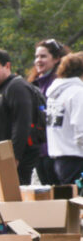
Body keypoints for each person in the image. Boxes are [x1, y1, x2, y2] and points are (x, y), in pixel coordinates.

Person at [0, 47, 43, 185]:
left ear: (7, 66)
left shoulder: (16, 87)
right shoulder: (1, 89)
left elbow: (22, 123)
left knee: (18, 198)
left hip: (18, 158)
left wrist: (14, 157)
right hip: (3, 156)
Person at [28, 38, 70, 184]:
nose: (38, 60)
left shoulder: (61, 84)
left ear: (57, 59)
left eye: (43, 56)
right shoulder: (33, 85)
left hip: (57, 151)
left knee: (62, 193)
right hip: (39, 151)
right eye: (37, 56)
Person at [44, 52, 83, 186]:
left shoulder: (55, 93)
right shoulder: (78, 93)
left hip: (59, 159)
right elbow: (81, 131)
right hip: (76, 160)